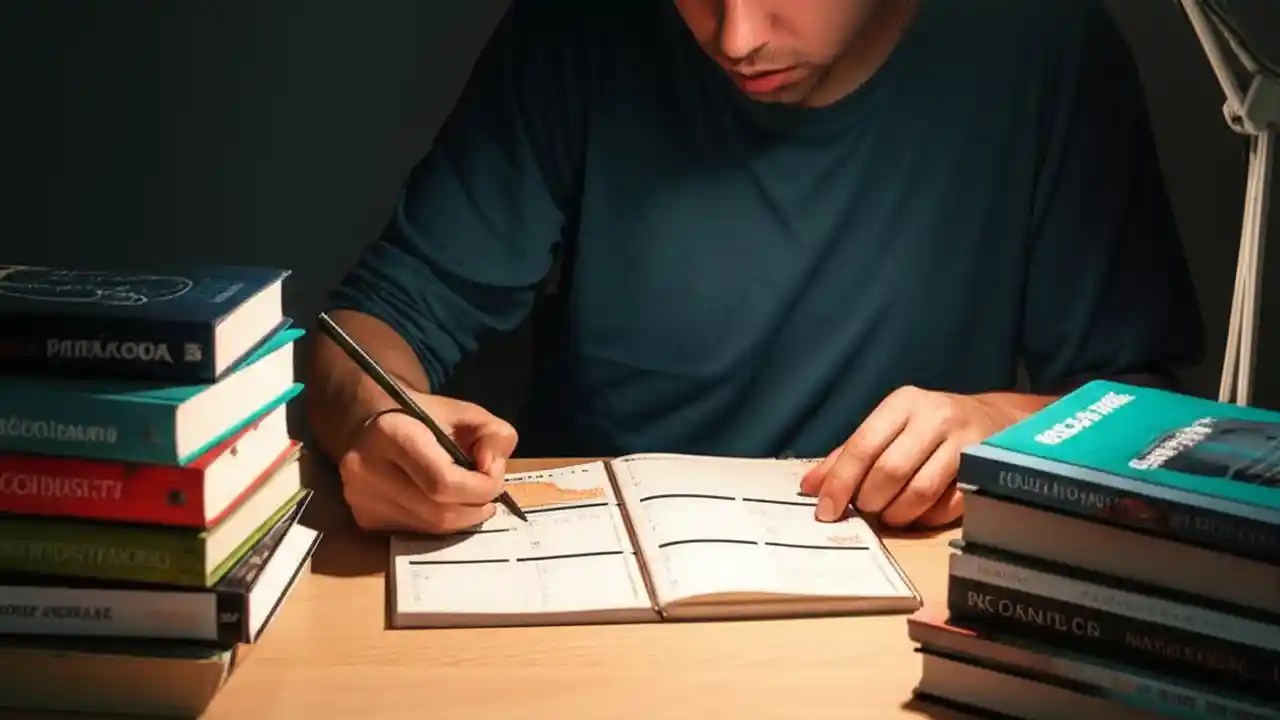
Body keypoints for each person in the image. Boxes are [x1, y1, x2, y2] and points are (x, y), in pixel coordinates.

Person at [307, 0, 1205, 536]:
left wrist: (999, 428)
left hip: (897, 598)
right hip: (599, 600)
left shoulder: (1044, 40)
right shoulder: (581, 27)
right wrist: (374, 422)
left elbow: (1143, 408)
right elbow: (373, 321)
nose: (734, 35)